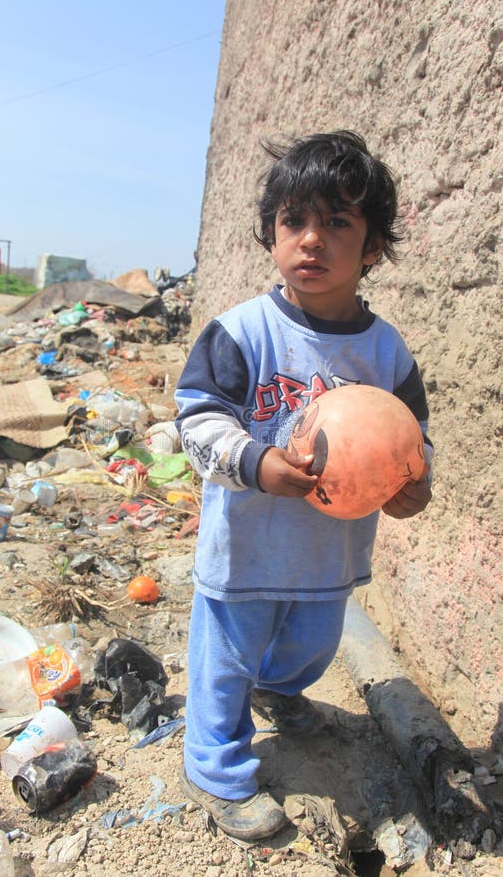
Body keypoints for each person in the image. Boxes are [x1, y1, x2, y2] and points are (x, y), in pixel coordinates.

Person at [174, 130, 433, 842]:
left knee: (313, 647)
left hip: (328, 553)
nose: (312, 239)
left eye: (337, 222)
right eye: (294, 220)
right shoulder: (242, 333)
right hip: (246, 549)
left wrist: (416, 482)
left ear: (373, 247)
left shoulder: (385, 352)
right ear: (271, 234)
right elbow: (196, 421)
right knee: (224, 665)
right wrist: (256, 462)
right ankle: (216, 768)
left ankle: (281, 690)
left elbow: (413, 435)